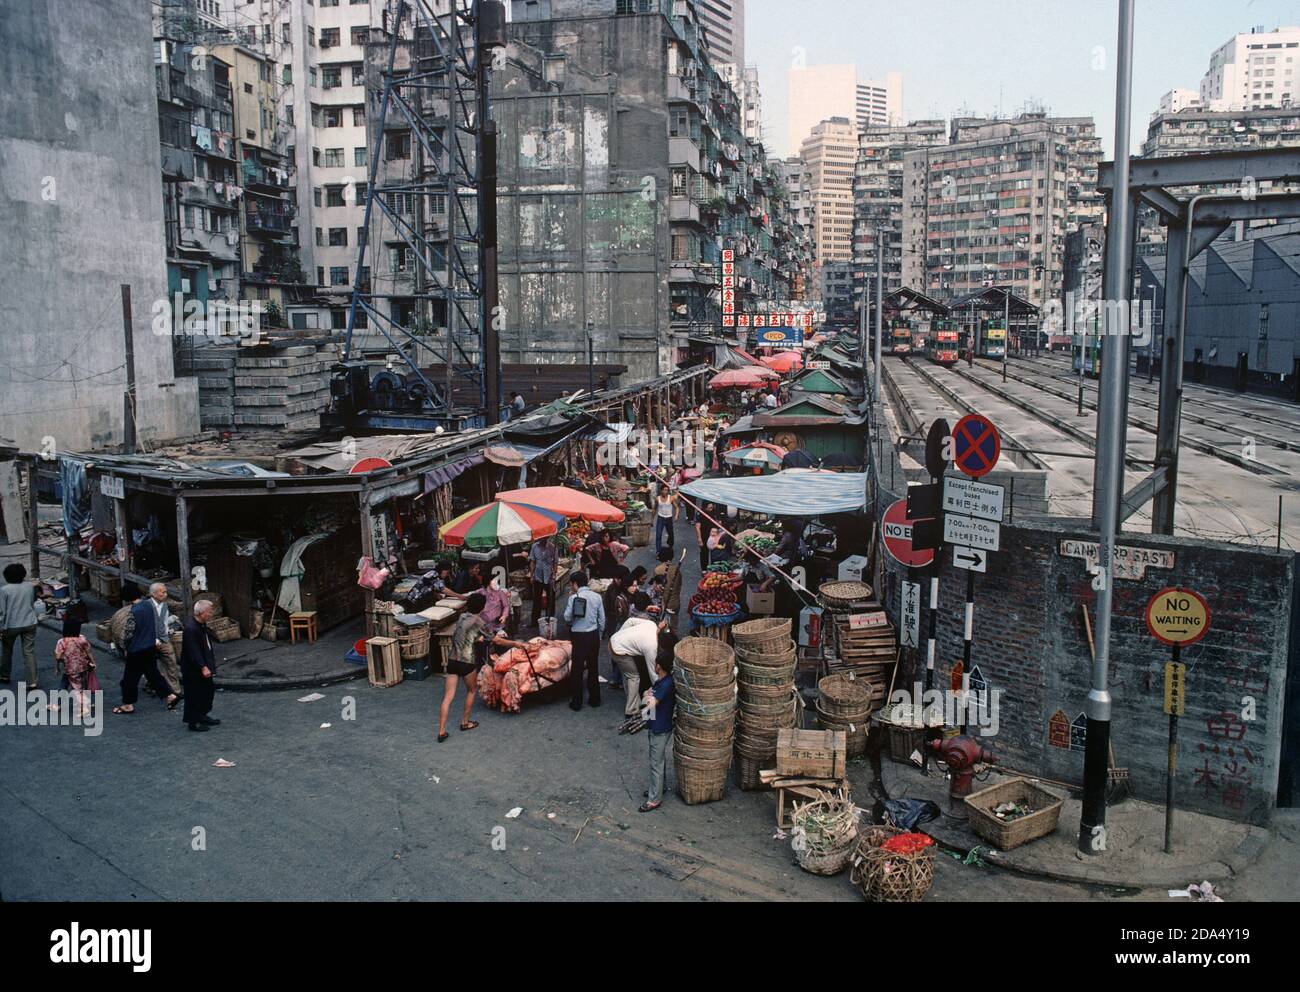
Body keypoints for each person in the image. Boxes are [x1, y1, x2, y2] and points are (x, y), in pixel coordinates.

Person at [115, 583, 181, 715]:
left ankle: (128, 704)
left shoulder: (134, 611)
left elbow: (129, 633)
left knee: (129, 679)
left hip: (137, 649)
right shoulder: (148, 606)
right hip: (149, 647)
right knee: (153, 674)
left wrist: (126, 647)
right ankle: (170, 696)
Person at [608, 592, 663, 723]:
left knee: (628, 674)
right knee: (634, 677)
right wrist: (660, 691)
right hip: (618, 650)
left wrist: (621, 634)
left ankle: (632, 700)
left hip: (615, 641)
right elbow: (653, 674)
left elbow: (631, 621)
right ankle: (631, 710)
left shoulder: (651, 625)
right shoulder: (652, 646)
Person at [639, 651, 676, 812]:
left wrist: (645, 695)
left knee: (656, 763)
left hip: (660, 728)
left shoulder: (665, 684)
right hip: (657, 724)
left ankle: (654, 799)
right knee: (659, 760)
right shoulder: (663, 681)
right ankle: (660, 788)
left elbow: (649, 704)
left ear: (659, 666)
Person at [562, 572, 605, 711]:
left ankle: (577, 702)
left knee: (577, 669)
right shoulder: (597, 596)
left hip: (579, 636)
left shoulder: (574, 598)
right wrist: (599, 635)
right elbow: (602, 619)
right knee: (593, 667)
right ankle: (595, 699)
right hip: (593, 635)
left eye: (571, 584)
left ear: (575, 584)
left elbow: (567, 618)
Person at [180, 601, 219, 732]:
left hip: (202, 665)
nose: (211, 614)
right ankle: (193, 720)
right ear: (201, 613)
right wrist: (203, 667)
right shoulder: (191, 629)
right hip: (193, 669)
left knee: (207, 692)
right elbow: (193, 650)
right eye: (209, 612)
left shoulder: (200, 625)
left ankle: (202, 715)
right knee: (194, 695)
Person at [0, 563, 42, 687]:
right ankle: (32, 681)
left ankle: (4, 675)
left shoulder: (5, 590)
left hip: (11, 625)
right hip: (29, 622)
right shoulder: (29, 586)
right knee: (29, 652)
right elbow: (33, 601)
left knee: (7, 651)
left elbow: (2, 611)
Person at [53, 618, 95, 717]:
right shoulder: (82, 639)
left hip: (70, 668)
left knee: (75, 689)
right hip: (83, 666)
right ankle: (58, 704)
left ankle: (84, 708)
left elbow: (58, 657)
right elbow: (88, 652)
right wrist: (93, 662)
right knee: (78, 684)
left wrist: (57, 667)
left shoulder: (62, 642)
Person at [527, 537, 559, 627]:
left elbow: (555, 563)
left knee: (551, 599)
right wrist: (531, 575)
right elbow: (533, 561)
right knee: (536, 599)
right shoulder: (534, 547)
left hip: (549, 576)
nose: (543, 540)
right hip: (538, 576)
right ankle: (534, 621)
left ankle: (549, 620)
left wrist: (554, 575)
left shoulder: (553, 547)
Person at [653, 486, 677, 554]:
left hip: (669, 518)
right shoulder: (657, 499)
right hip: (660, 518)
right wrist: (652, 519)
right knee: (658, 535)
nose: (665, 492)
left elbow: (677, 507)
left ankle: (670, 546)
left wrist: (676, 515)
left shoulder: (671, 498)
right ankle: (658, 551)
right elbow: (654, 508)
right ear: (661, 490)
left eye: (666, 490)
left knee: (671, 535)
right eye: (663, 490)